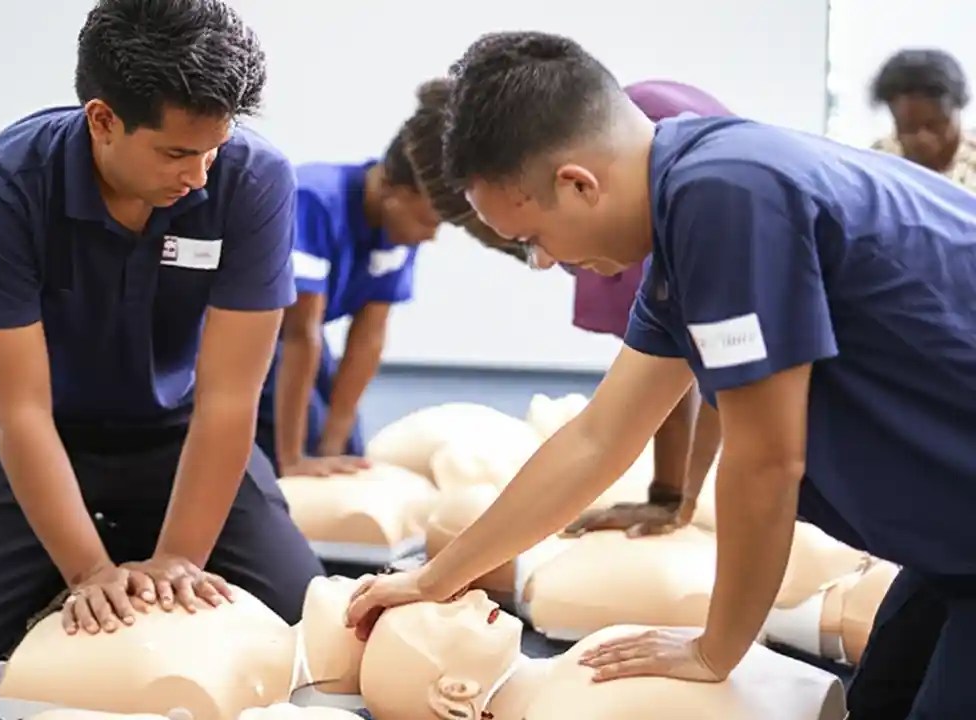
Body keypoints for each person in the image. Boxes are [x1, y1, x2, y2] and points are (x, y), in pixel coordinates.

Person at [345, 32, 976, 719]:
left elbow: (766, 460)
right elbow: (598, 437)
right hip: (948, 536)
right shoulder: (689, 205)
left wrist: (716, 649)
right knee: (881, 698)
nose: (547, 262)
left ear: (577, 184)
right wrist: (434, 578)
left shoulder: (726, 195)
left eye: (531, 241)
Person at [0, 0, 324, 690]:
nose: (200, 175)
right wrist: (86, 572)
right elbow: (18, 410)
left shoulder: (256, 178)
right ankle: (84, 561)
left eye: (214, 149)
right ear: (103, 120)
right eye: (177, 152)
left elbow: (232, 397)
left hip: (179, 431)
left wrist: (178, 558)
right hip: (35, 431)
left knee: (299, 612)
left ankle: (129, 553)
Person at [402, 76, 726, 537]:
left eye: (530, 241)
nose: (547, 260)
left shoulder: (643, 181)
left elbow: (687, 356)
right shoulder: (627, 127)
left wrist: (674, 499)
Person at [256, 124, 441, 478]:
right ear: (390, 190)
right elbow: (298, 333)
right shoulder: (312, 201)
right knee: (301, 443)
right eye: (426, 221)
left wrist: (334, 443)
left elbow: (369, 335)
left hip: (303, 333)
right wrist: (293, 459)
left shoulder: (398, 230)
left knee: (348, 453)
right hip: (247, 327)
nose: (431, 235)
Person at [870, 48, 976, 192]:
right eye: (908, 128)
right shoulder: (878, 165)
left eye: (934, 126)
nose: (922, 138)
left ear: (956, 110)